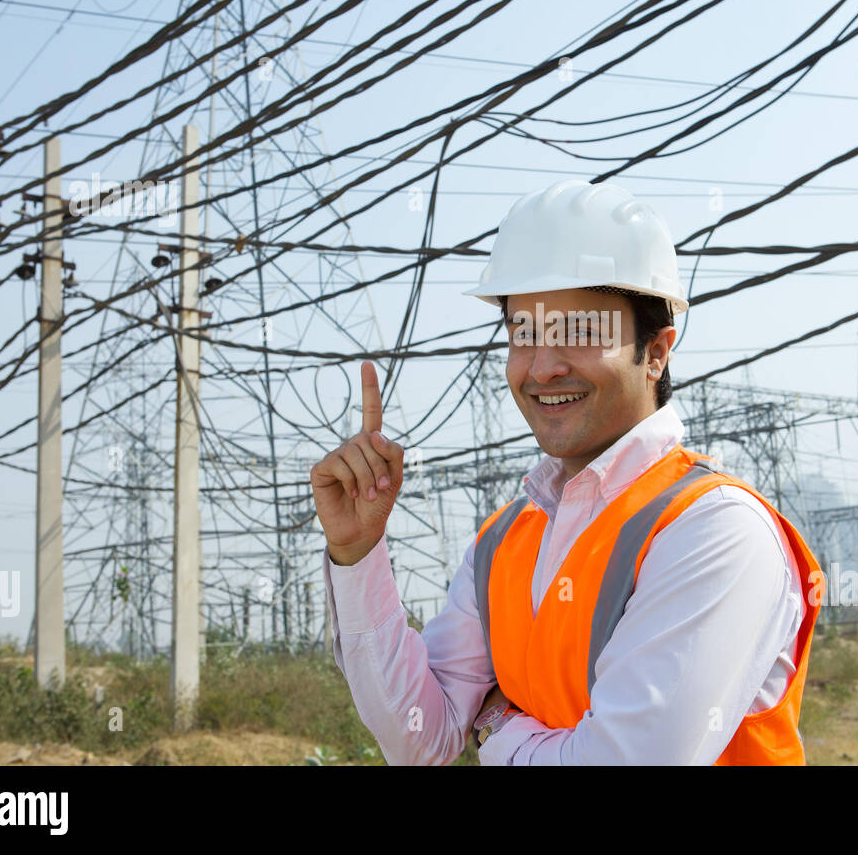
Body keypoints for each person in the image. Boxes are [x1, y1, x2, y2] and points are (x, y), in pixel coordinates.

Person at [310, 178, 823, 765]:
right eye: (523, 333)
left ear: (656, 351)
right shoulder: (505, 542)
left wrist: (499, 726)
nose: (544, 366)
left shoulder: (713, 530)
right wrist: (357, 552)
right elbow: (420, 739)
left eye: (580, 332)